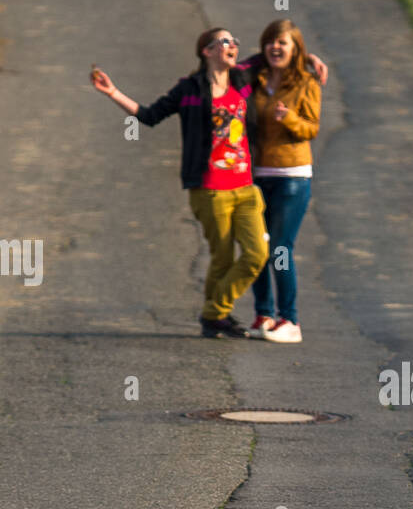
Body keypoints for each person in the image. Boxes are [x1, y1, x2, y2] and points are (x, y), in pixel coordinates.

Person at [90, 30, 327, 339]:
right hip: (210, 188)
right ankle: (217, 318)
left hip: (246, 186)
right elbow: (149, 115)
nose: (233, 46)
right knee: (224, 256)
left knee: (257, 254)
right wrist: (112, 93)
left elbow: (271, 55)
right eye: (225, 42)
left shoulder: (242, 79)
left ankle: (214, 312)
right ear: (206, 51)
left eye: (234, 42)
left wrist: (306, 57)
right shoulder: (189, 89)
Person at [248, 18, 321, 343]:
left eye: (283, 43)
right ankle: (263, 314)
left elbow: (311, 128)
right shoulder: (255, 79)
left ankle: (290, 320)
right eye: (271, 42)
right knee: (258, 246)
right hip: (257, 173)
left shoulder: (307, 82)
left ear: (295, 49)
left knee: (280, 247)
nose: (276, 48)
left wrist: (289, 118)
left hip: (292, 176)